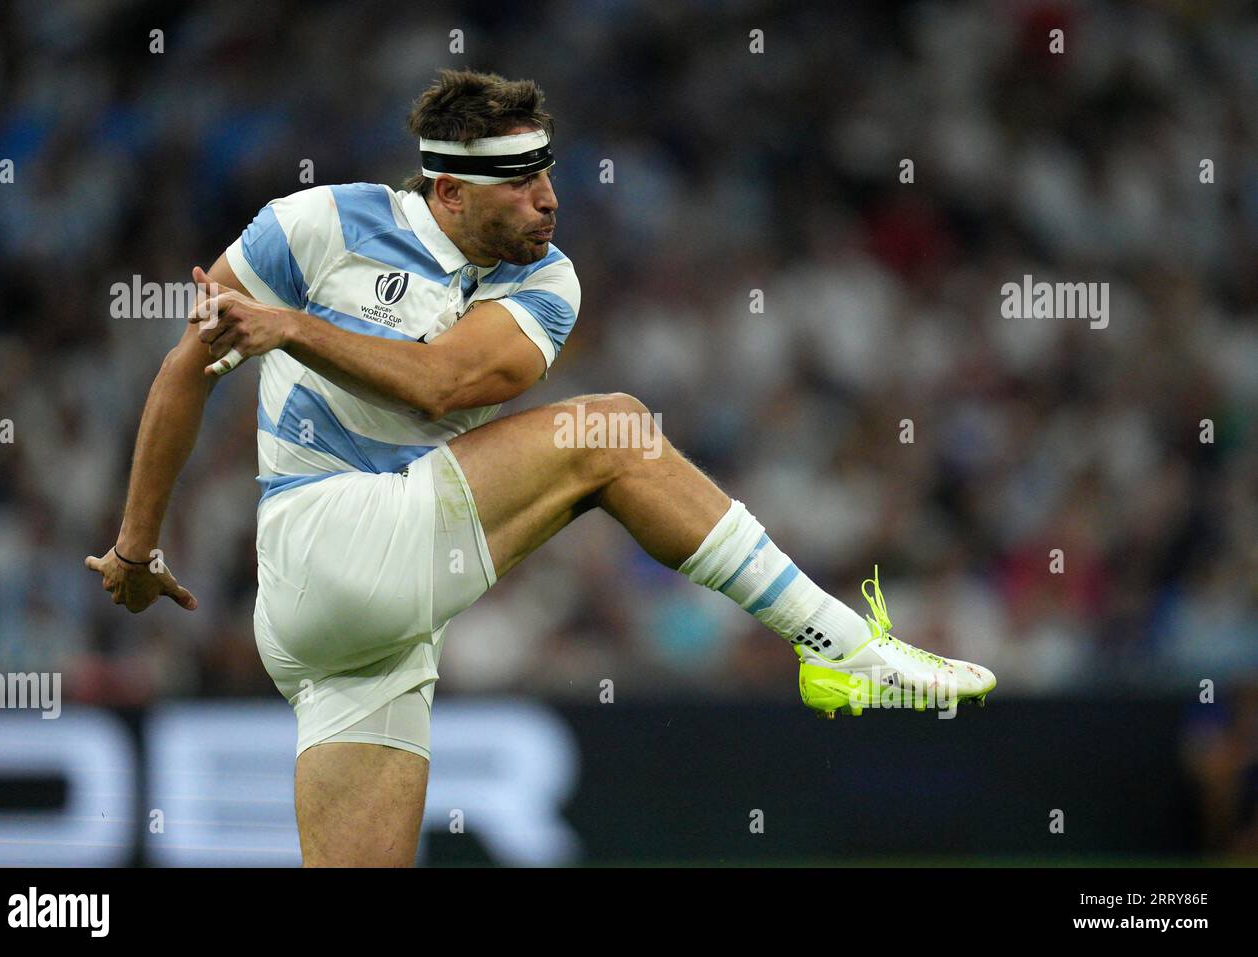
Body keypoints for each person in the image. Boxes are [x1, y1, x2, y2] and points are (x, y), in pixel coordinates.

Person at [86, 68, 995, 867]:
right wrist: (134, 548)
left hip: (373, 629)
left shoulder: (544, 283)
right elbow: (185, 369)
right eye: (521, 184)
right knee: (615, 430)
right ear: (449, 190)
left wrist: (291, 327)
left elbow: (444, 385)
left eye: (548, 174)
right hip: (319, 540)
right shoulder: (316, 222)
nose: (549, 200)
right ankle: (838, 644)